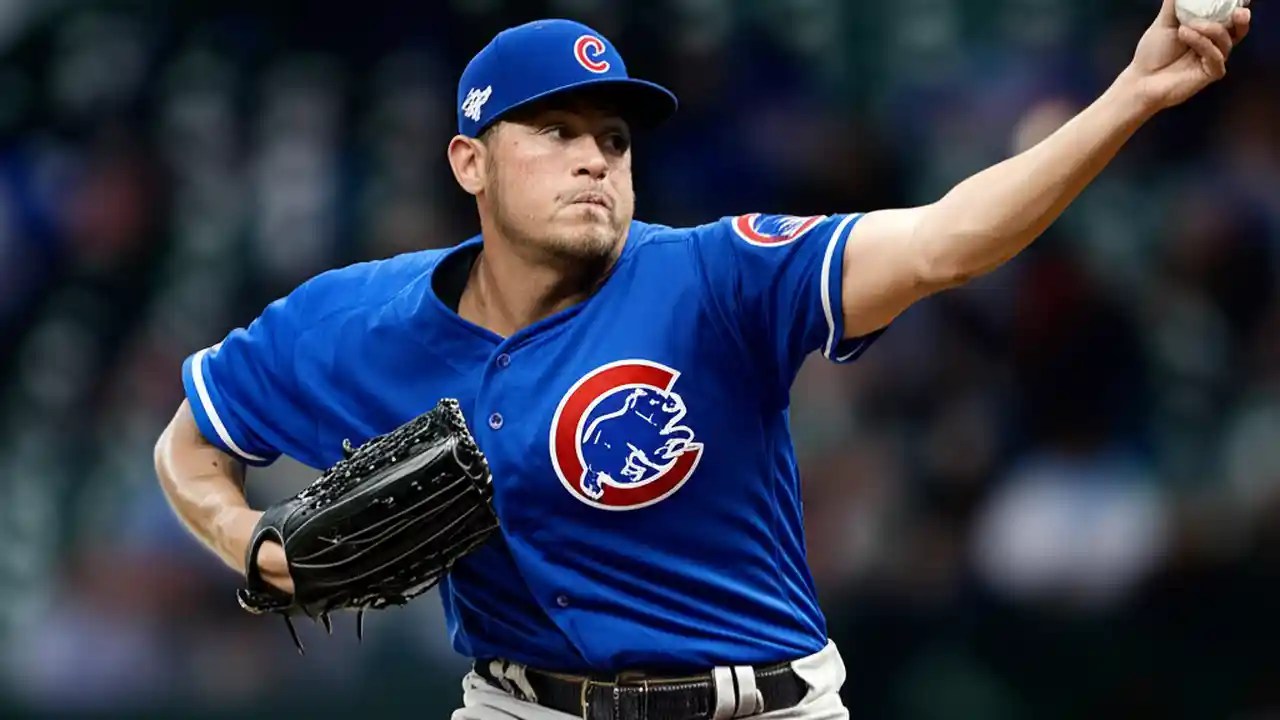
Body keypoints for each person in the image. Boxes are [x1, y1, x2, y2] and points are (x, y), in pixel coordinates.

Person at [154, 4, 1252, 718]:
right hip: (520, 705)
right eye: (554, 131)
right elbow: (189, 444)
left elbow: (945, 240)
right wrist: (247, 543)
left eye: (615, 138)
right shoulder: (353, 321)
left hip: (759, 704)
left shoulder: (718, 278)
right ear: (468, 162)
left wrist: (1131, 95)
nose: (593, 157)